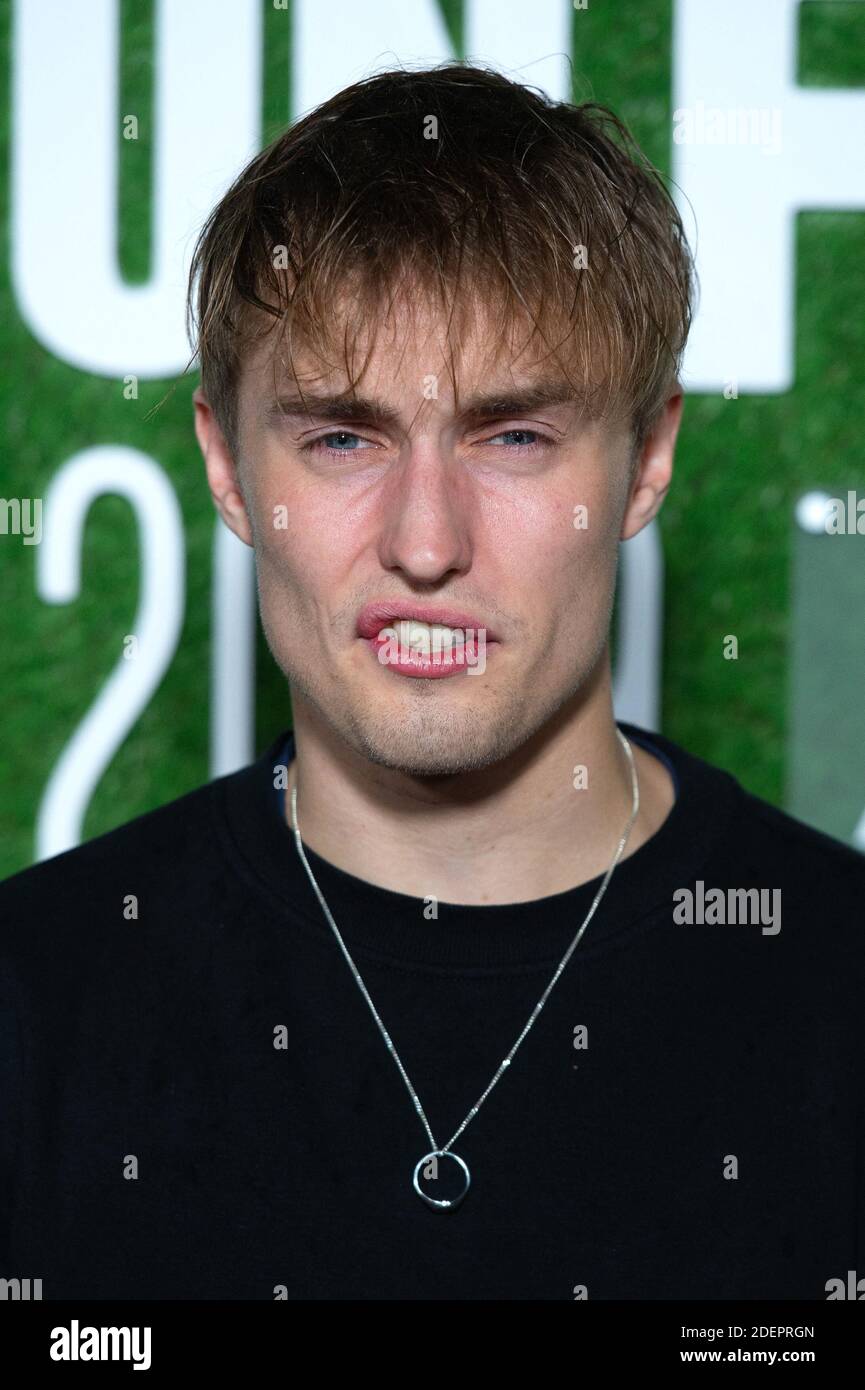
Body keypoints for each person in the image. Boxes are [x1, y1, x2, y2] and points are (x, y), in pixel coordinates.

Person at [1, 63, 863, 1302]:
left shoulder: (839, 987)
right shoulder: (32, 1003)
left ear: (646, 461)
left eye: (511, 435)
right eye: (341, 437)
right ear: (229, 470)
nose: (424, 540)